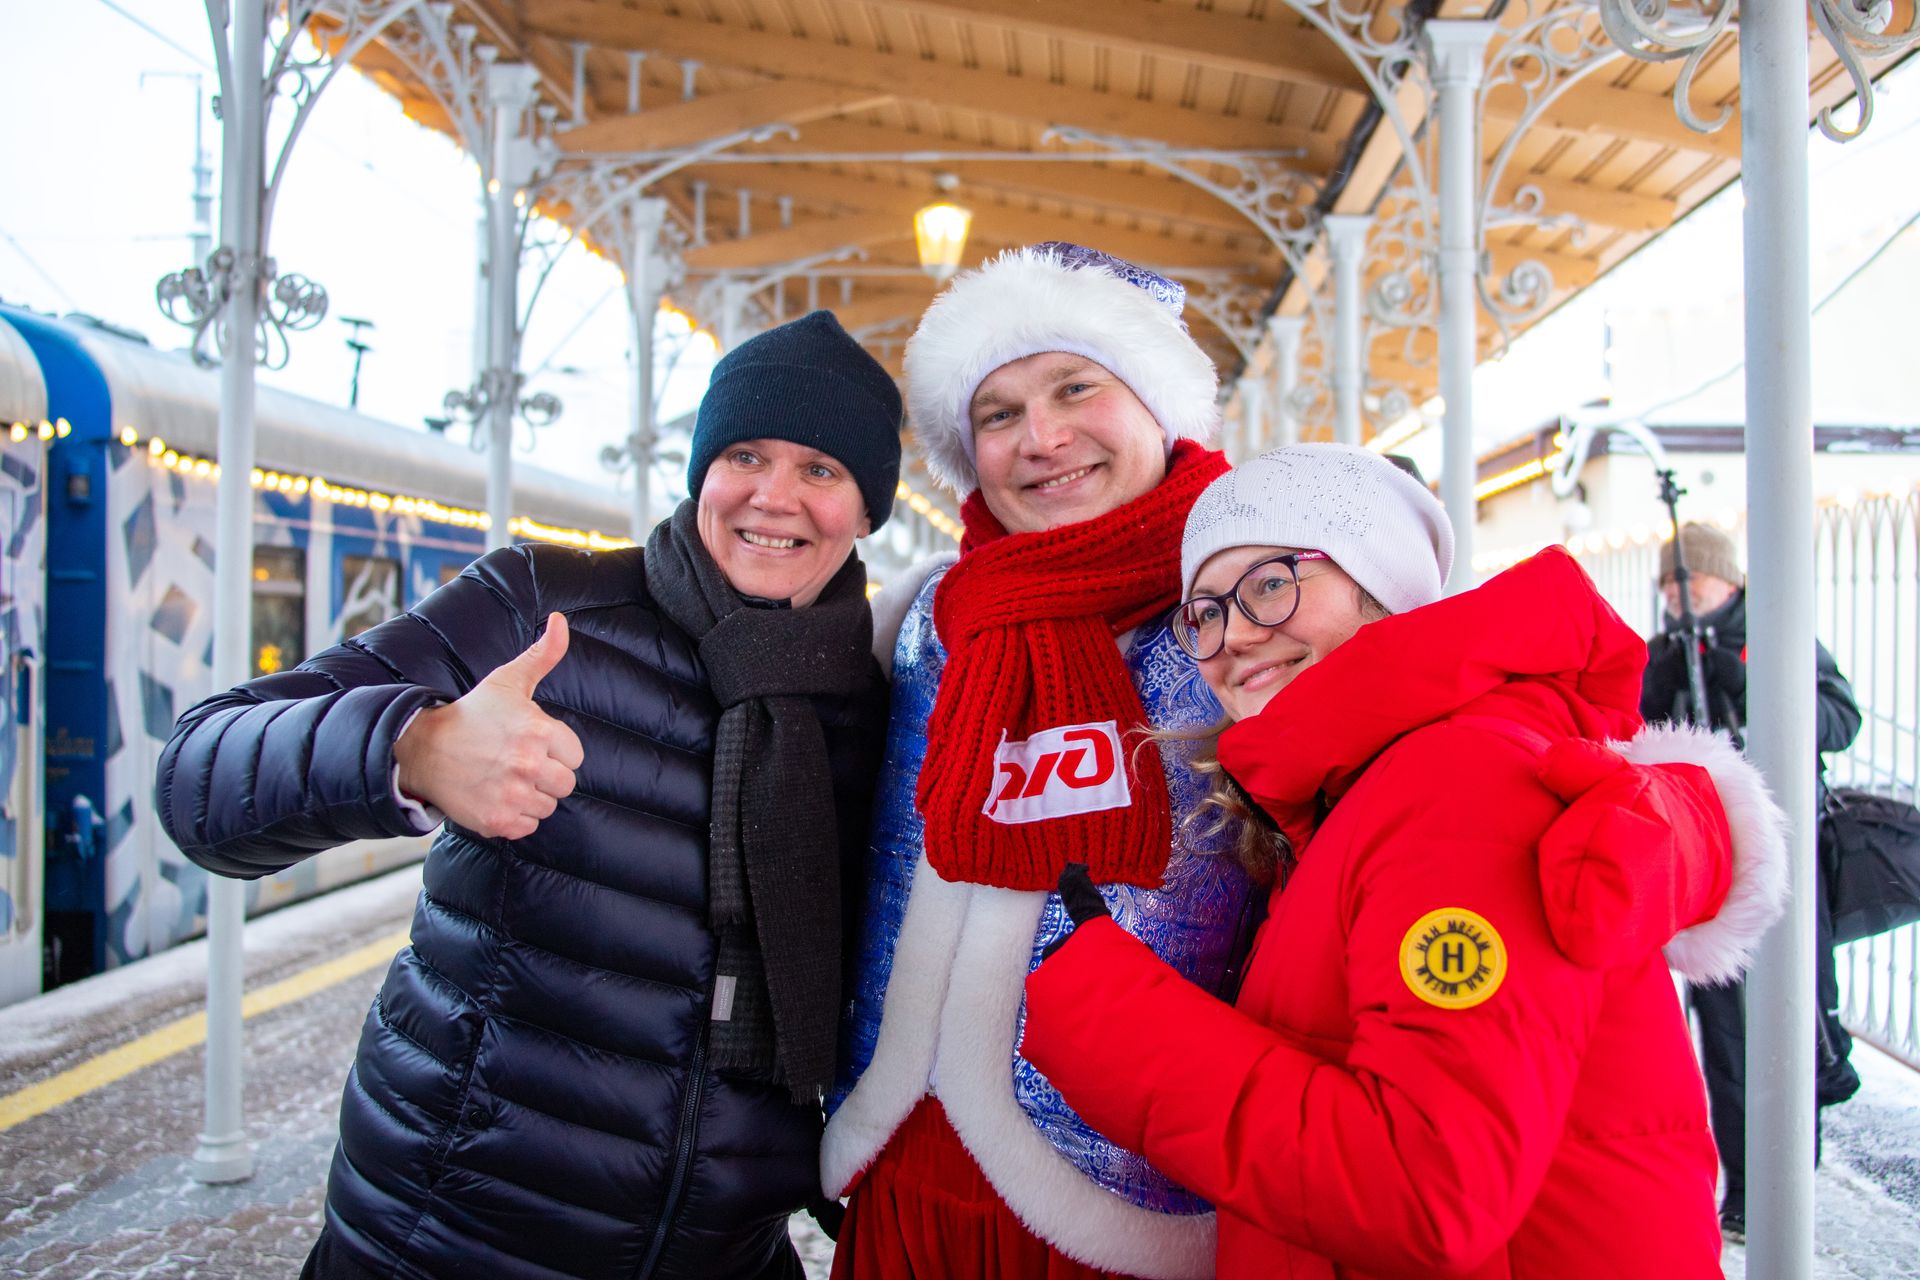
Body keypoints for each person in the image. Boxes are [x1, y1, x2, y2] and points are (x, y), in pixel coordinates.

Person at [821, 246, 1750, 1280]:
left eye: (1078, 386)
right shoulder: (917, 625)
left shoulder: (1397, 746)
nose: (1042, 436)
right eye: (997, 413)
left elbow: (1431, 1160)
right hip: (901, 1176)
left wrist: (1666, 823)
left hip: (1135, 1213)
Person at [155, 311, 899, 1280]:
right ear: (702, 471)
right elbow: (198, 779)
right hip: (448, 1238)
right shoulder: (540, 609)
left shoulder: (873, 696)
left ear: (868, 507)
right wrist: (412, 745)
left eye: (822, 469)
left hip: (726, 1250)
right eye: (746, 453)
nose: (774, 496)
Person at [1019, 444, 1791, 1280]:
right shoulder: (1364, 790)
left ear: (1381, 587)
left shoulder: (1458, 787)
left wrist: (1114, 1022)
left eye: (1272, 583)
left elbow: (1431, 1186)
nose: (1234, 634)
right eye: (1202, 611)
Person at [1640, 520, 1863, 1240]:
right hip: (1708, 863)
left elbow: (1840, 719)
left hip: (1786, 859)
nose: (1680, 597)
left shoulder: (1776, 634)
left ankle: (1789, 1168)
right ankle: (1746, 1185)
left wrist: (1757, 687)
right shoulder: (1667, 649)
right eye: (1671, 587)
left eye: (1692, 582)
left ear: (1726, 579)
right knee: (1727, 1032)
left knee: (1797, 1015)